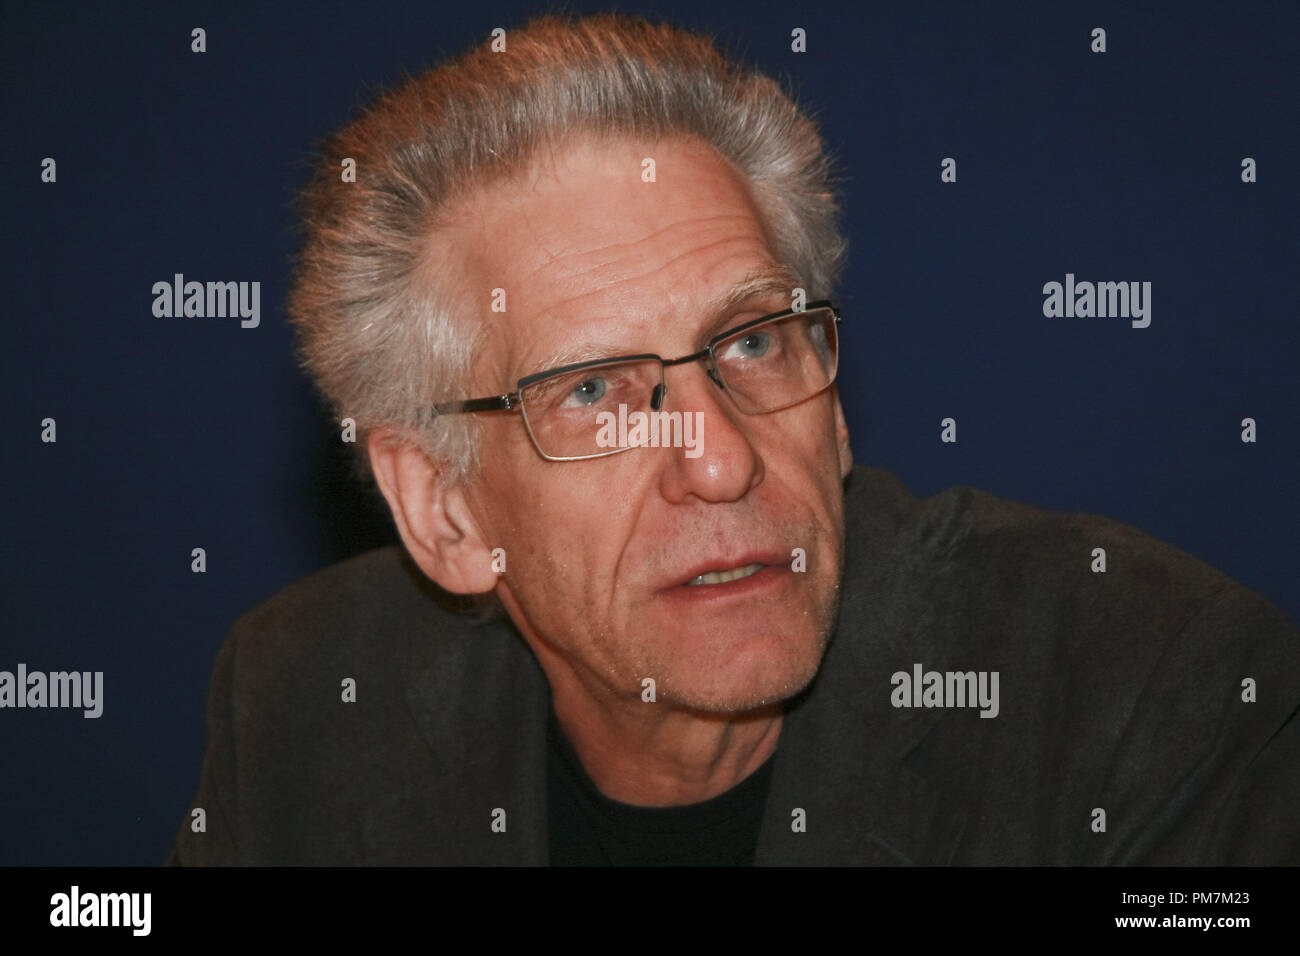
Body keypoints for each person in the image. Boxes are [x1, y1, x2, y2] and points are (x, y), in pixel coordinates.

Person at [166, 12, 1300, 866]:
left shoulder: (1151, 696)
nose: (722, 458)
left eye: (753, 344)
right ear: (447, 513)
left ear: (835, 405)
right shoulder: (303, 697)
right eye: (597, 391)